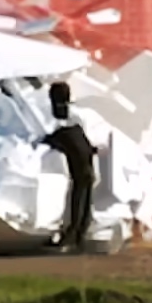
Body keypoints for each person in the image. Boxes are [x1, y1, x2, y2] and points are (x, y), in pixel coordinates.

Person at [35, 81, 97, 253]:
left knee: (77, 202)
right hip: (86, 166)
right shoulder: (76, 119)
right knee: (83, 201)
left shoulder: (63, 124)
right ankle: (79, 238)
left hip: (81, 169)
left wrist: (43, 141)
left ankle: (73, 238)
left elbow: (55, 136)